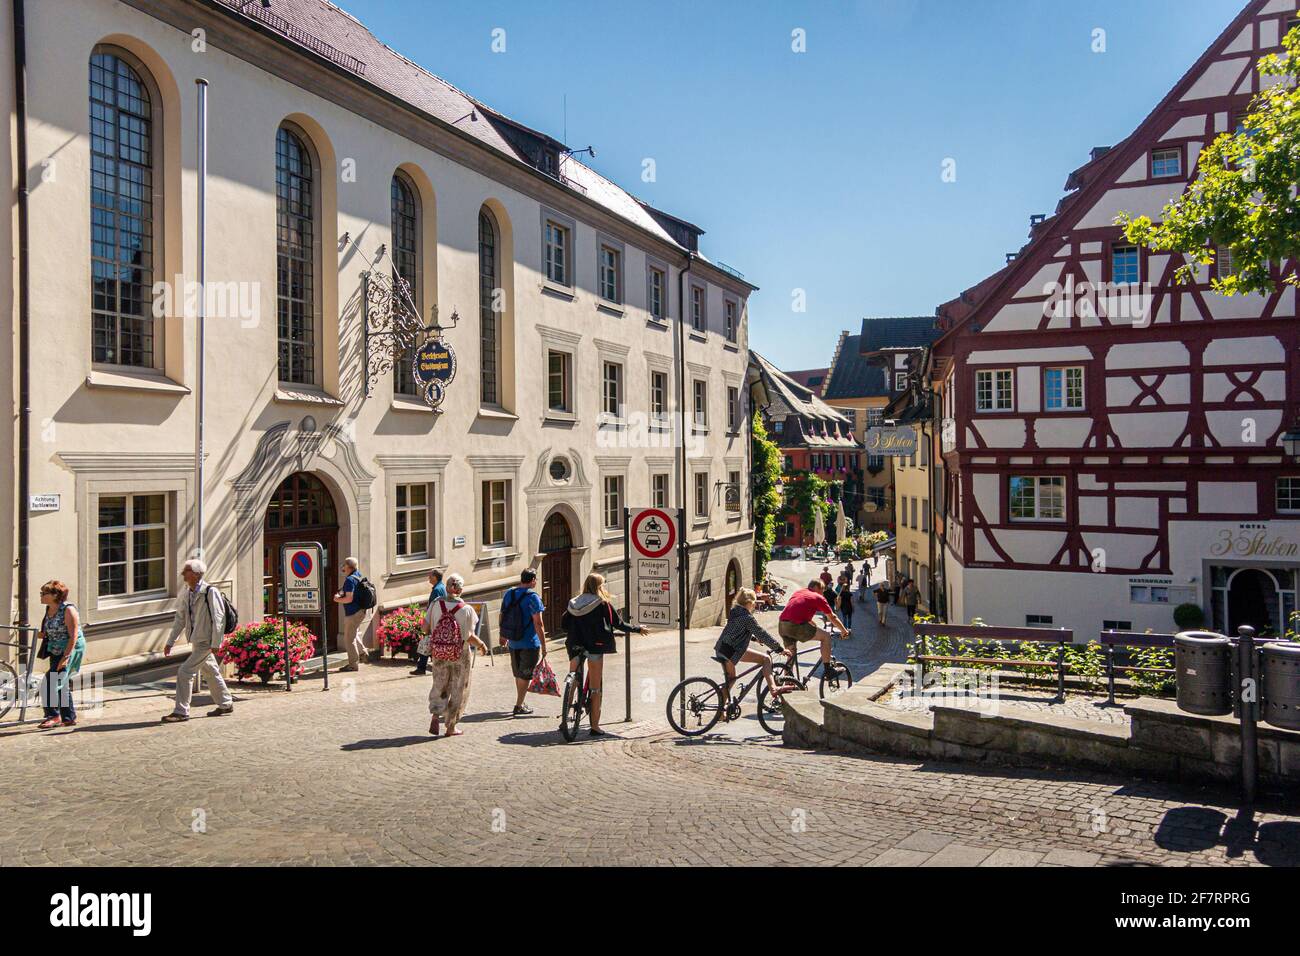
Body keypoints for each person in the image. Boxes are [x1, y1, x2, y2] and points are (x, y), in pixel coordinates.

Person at [561, 572, 646, 738]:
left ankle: (564, 718)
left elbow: (564, 624)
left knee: (573, 675)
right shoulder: (602, 604)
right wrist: (637, 629)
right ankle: (595, 727)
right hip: (595, 646)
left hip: (575, 645)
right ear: (599, 587)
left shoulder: (573, 603)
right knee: (595, 687)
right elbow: (618, 623)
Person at [162, 558, 234, 722]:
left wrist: (216, 643)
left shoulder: (210, 592)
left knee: (184, 672)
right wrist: (170, 642)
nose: (182, 573)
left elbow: (218, 618)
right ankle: (225, 703)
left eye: (186, 570)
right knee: (211, 671)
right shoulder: (187, 593)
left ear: (195, 574)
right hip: (197, 640)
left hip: (206, 642)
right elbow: (180, 619)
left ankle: (181, 711)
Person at [423, 573, 488, 737]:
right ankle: (451, 726)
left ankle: (435, 714)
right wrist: (481, 644)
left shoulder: (435, 605)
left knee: (440, 683)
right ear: (461, 590)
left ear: (446, 587)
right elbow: (468, 637)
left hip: (439, 652)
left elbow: (425, 628)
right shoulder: (467, 610)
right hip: (460, 654)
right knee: (459, 687)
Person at [712, 588, 786, 716]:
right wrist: (779, 648)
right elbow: (762, 633)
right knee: (765, 660)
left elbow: (736, 631)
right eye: (754, 602)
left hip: (723, 648)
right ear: (750, 603)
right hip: (731, 651)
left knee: (730, 679)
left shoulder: (735, 611)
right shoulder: (747, 617)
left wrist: (753, 639)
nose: (755, 605)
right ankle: (773, 688)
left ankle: (721, 711)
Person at [35, 581, 86, 729]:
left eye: (44, 593)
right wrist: (32, 633)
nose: (41, 595)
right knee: (60, 684)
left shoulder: (68, 610)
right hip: (55, 649)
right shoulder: (49, 609)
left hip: (70, 649)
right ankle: (69, 717)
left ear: (55, 595)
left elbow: (73, 636)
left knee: (49, 683)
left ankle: (53, 716)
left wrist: (66, 658)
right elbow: (47, 632)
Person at [499, 569, 547, 716]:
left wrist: (502, 635)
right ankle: (519, 705)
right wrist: (544, 645)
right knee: (525, 675)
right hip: (529, 642)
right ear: (532, 580)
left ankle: (520, 701)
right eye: (536, 579)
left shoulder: (509, 593)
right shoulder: (533, 598)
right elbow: (538, 623)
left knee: (518, 673)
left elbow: (502, 614)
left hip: (513, 641)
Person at [777, 580, 849, 666]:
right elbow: (832, 617)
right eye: (822, 590)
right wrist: (844, 631)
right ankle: (828, 669)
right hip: (795, 625)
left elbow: (796, 609)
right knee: (826, 636)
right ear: (817, 587)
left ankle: (787, 678)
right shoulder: (817, 597)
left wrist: (811, 622)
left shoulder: (798, 592)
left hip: (782, 625)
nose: (823, 594)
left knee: (791, 653)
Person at [333, 557, 370, 673]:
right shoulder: (358, 575)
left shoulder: (349, 580)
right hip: (362, 610)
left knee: (349, 638)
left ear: (348, 567)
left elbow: (349, 599)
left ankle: (353, 665)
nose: (342, 567)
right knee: (353, 633)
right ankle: (363, 652)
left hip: (353, 613)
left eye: (344, 565)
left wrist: (337, 599)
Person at [409, 568, 445, 676]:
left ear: (435, 577)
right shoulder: (442, 587)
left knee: (426, 643)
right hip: (439, 621)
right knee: (428, 643)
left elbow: (433, 607)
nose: (429, 577)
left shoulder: (437, 590)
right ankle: (423, 666)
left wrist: (428, 623)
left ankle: (422, 667)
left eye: (430, 575)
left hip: (435, 621)